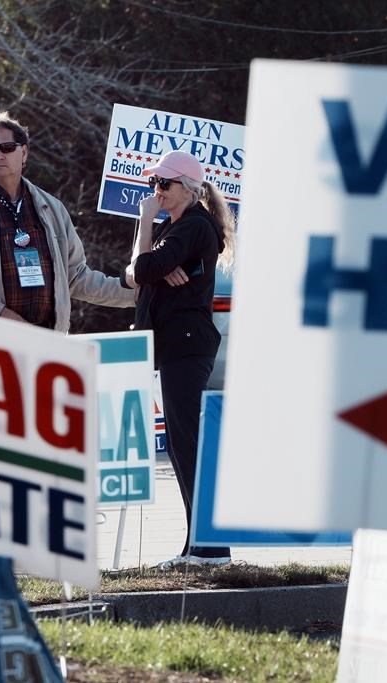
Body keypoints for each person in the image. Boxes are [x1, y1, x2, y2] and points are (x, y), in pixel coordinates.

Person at [125, 150, 236, 568]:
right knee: (179, 445)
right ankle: (197, 545)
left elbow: (145, 266)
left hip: (187, 346)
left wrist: (144, 228)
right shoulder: (179, 230)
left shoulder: (193, 225)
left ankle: (211, 548)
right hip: (173, 345)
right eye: (155, 184)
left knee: (188, 444)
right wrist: (152, 263)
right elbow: (138, 273)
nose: (156, 192)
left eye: (164, 184)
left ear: (188, 189)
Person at [0, 111, 133, 327]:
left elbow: (76, 278)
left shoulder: (52, 209)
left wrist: (134, 295)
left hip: (47, 344)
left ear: (24, 153)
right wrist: (4, 317)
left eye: (7, 148)